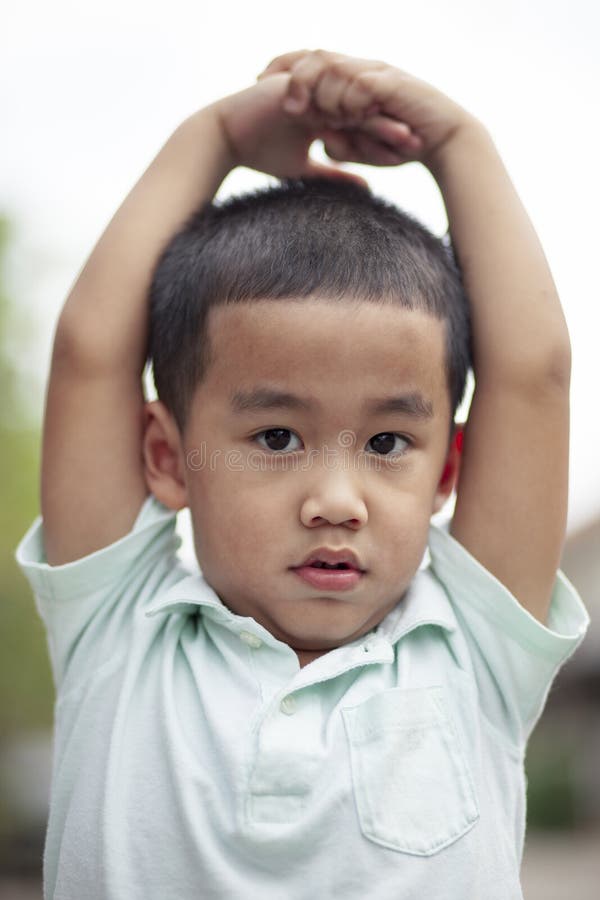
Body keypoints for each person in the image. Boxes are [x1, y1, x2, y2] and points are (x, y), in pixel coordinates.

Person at [16, 49, 588, 900]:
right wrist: (213, 135)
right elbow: (90, 355)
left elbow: (533, 375)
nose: (335, 502)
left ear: (446, 473)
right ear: (169, 459)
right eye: (278, 436)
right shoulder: (122, 630)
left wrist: (459, 145)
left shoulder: (474, 649)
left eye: (389, 444)